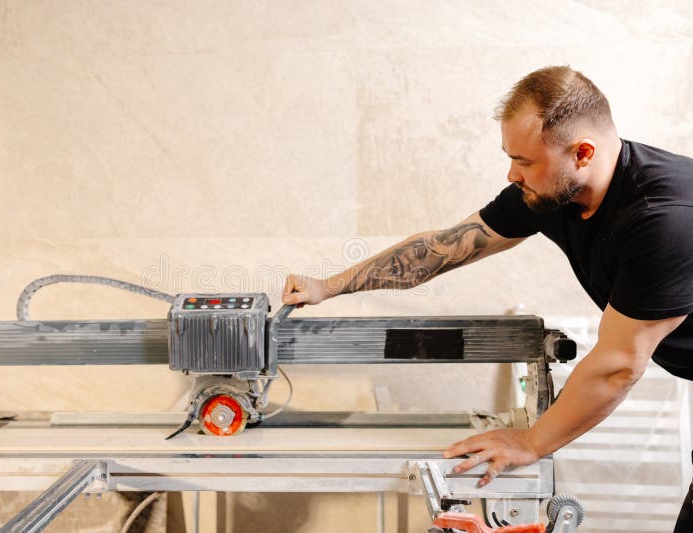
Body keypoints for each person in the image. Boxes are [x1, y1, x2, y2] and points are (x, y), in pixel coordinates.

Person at [281, 65, 693, 531]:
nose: (512, 173)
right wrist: (328, 286)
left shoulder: (663, 220)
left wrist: (532, 441)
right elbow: (439, 249)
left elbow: (618, 365)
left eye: (524, 161)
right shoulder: (552, 192)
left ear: (582, 153)